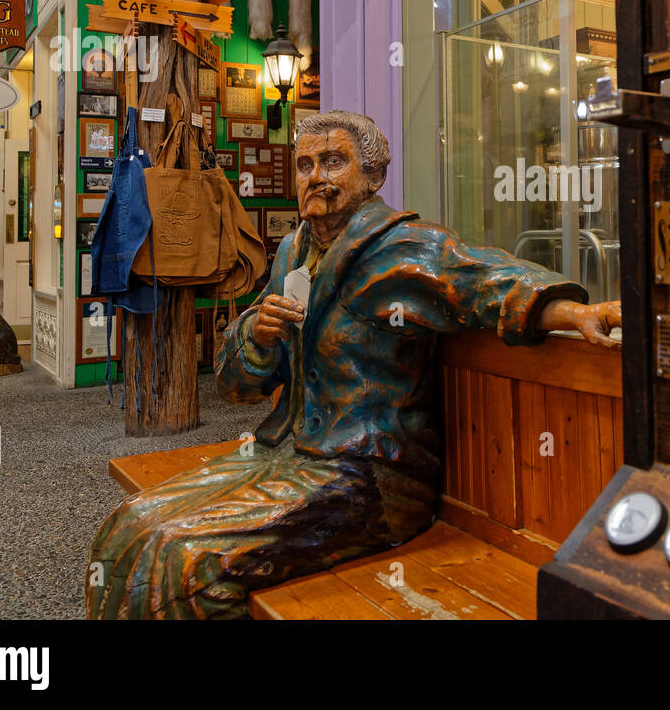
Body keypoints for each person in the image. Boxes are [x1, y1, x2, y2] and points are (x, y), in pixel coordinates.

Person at [87, 110, 620, 618]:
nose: (315, 177)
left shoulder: (404, 246)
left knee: (182, 559)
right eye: (304, 165)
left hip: (368, 477)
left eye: (333, 162)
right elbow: (239, 386)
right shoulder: (292, 253)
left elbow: (488, 281)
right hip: (284, 455)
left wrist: (575, 311)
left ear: (372, 175)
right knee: (128, 527)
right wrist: (257, 335)